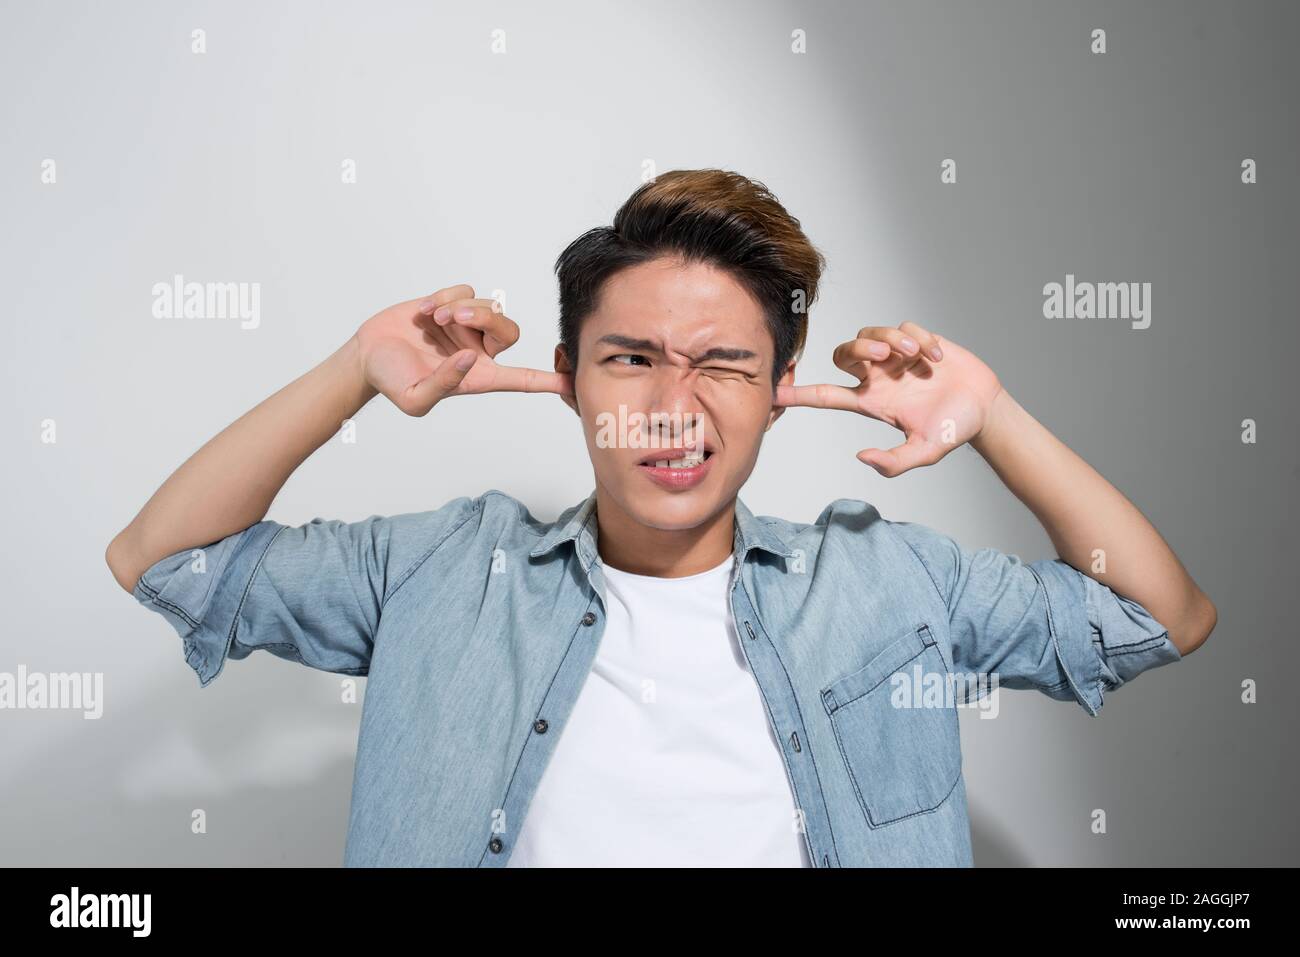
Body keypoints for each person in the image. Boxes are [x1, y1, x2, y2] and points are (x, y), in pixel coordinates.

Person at [105, 169, 1216, 867]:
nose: (670, 408)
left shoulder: (888, 583)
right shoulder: (439, 570)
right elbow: (165, 559)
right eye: (630, 360)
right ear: (568, 378)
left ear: (778, 391)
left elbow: (1158, 617)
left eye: (723, 367)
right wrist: (352, 370)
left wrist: (992, 413)